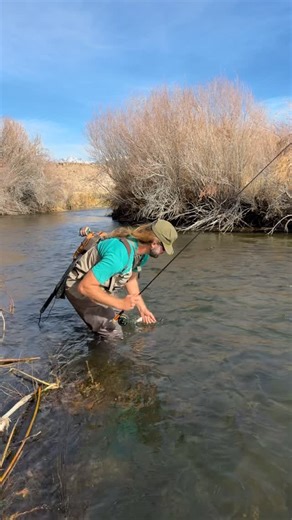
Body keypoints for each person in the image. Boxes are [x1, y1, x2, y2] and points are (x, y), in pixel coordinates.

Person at [65, 220, 178, 339]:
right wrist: (121, 303)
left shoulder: (142, 255)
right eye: (164, 248)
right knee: (113, 332)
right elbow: (85, 287)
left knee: (119, 318)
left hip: (99, 284)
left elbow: (131, 280)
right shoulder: (119, 254)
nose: (164, 252)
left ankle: (97, 330)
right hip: (78, 286)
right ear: (154, 243)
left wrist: (142, 308)